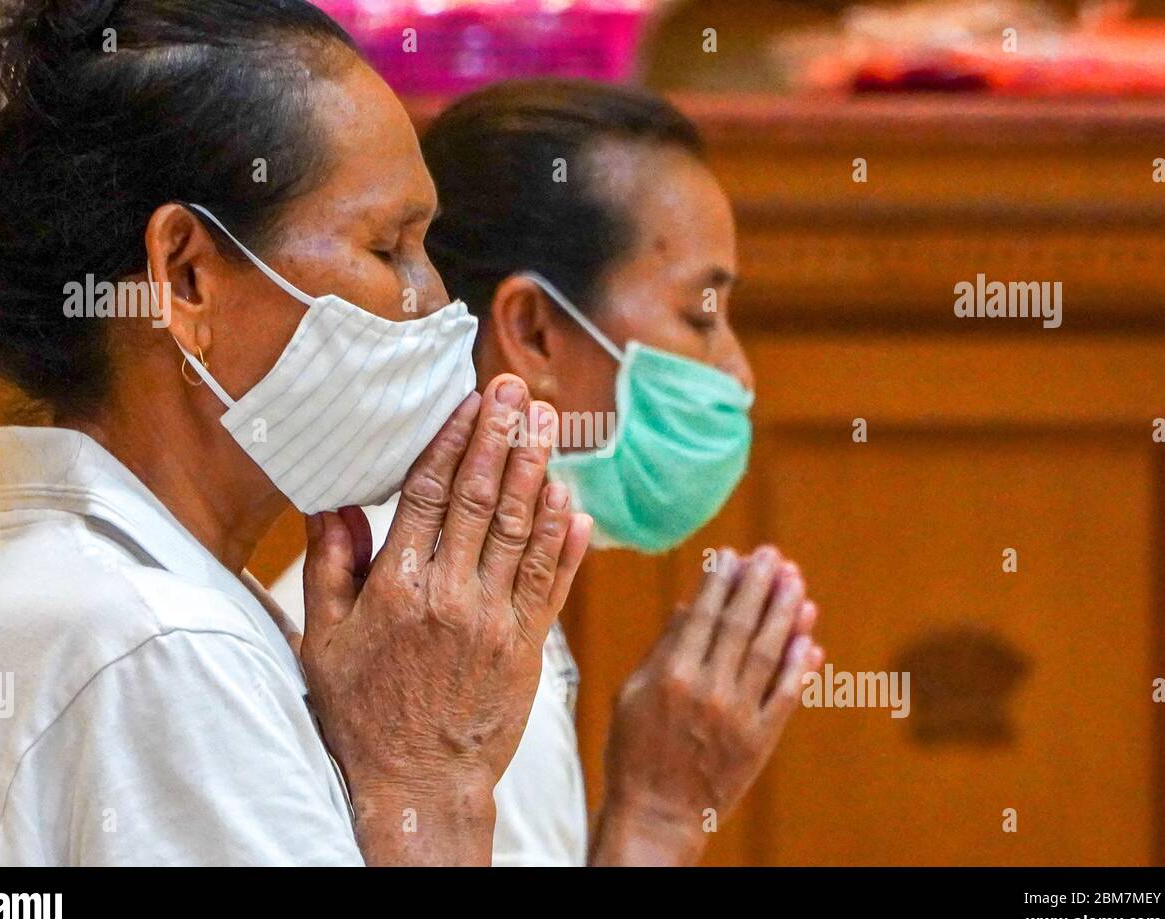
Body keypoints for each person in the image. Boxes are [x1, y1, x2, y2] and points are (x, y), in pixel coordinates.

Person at [0, 0, 589, 866]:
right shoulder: (161, 650)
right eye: (389, 249)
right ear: (188, 277)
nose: (438, 300)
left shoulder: (139, 604)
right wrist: (427, 783)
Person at [272, 79, 827, 866]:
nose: (738, 375)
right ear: (532, 332)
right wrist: (656, 822)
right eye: (700, 317)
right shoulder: (438, 633)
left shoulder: (464, 587)